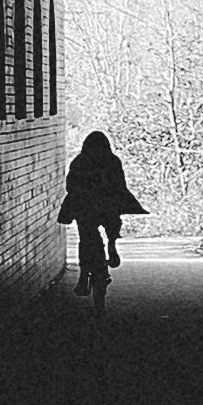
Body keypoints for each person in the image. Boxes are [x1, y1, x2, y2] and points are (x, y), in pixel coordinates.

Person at [58, 128, 143, 311]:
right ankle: (112, 244)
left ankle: (83, 275)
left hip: (85, 209)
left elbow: (70, 186)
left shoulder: (80, 162)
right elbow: (120, 185)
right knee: (113, 225)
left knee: (86, 239)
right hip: (107, 206)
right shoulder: (112, 161)